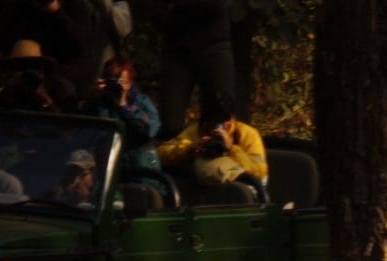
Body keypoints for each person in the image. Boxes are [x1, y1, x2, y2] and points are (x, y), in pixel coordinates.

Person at [156, 92, 266, 202]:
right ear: (206, 120)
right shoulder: (197, 130)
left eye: (226, 119)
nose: (222, 125)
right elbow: (161, 154)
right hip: (209, 186)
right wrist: (189, 148)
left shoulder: (247, 134)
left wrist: (231, 148)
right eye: (216, 121)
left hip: (248, 184)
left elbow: (259, 172)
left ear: (233, 117)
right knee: (201, 164)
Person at [156, 0, 238, 139]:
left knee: (221, 114)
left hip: (214, 44)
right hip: (176, 47)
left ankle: (214, 147)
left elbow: (213, 6)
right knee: (171, 125)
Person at [83, 58, 161, 176]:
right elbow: (84, 134)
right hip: (106, 169)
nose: (116, 85)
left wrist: (123, 106)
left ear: (130, 83)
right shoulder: (98, 105)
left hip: (140, 169)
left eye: (120, 81)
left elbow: (148, 131)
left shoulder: (143, 103)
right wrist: (92, 97)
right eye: (111, 81)